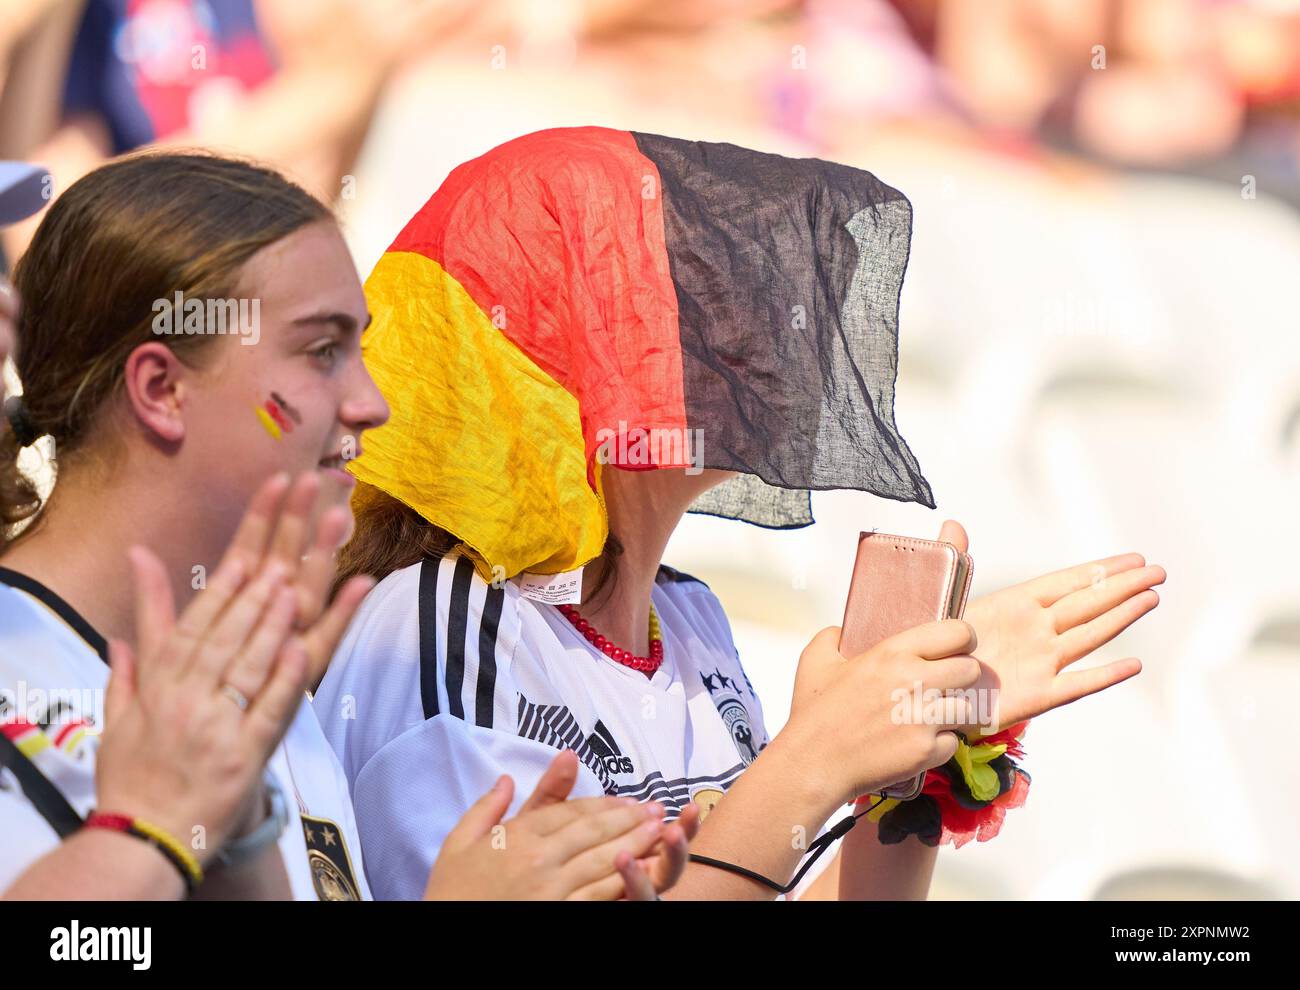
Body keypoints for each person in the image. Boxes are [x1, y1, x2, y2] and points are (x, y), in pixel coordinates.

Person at [315, 125, 1166, 900]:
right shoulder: (439, 619)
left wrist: (917, 762)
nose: (752, 328)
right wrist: (820, 751)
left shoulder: (688, 618)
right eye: (674, 298)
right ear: (544, 356)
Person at [0, 149, 688, 900]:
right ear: (162, 388)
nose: (372, 402)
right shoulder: (18, 676)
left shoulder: (258, 680)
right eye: (321, 351)